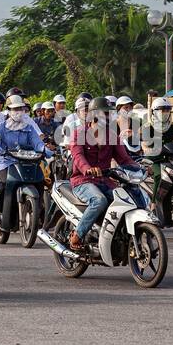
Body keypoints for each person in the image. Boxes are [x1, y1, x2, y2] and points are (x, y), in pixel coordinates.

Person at [66, 97, 147, 251]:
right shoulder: (79, 133)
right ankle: (78, 234)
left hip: (105, 180)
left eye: (109, 114)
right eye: (104, 113)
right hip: (83, 180)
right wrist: (87, 168)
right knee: (99, 200)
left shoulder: (112, 136)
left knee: (128, 200)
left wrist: (141, 168)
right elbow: (78, 156)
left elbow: (124, 159)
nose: (108, 117)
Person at [0, 94, 50, 225]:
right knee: (6, 182)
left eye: (21, 109)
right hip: (3, 161)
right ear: (8, 110)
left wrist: (45, 150)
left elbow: (37, 143)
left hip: (25, 160)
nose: (18, 112)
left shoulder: (29, 127)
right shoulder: (0, 127)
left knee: (40, 180)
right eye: (15, 109)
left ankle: (39, 210)